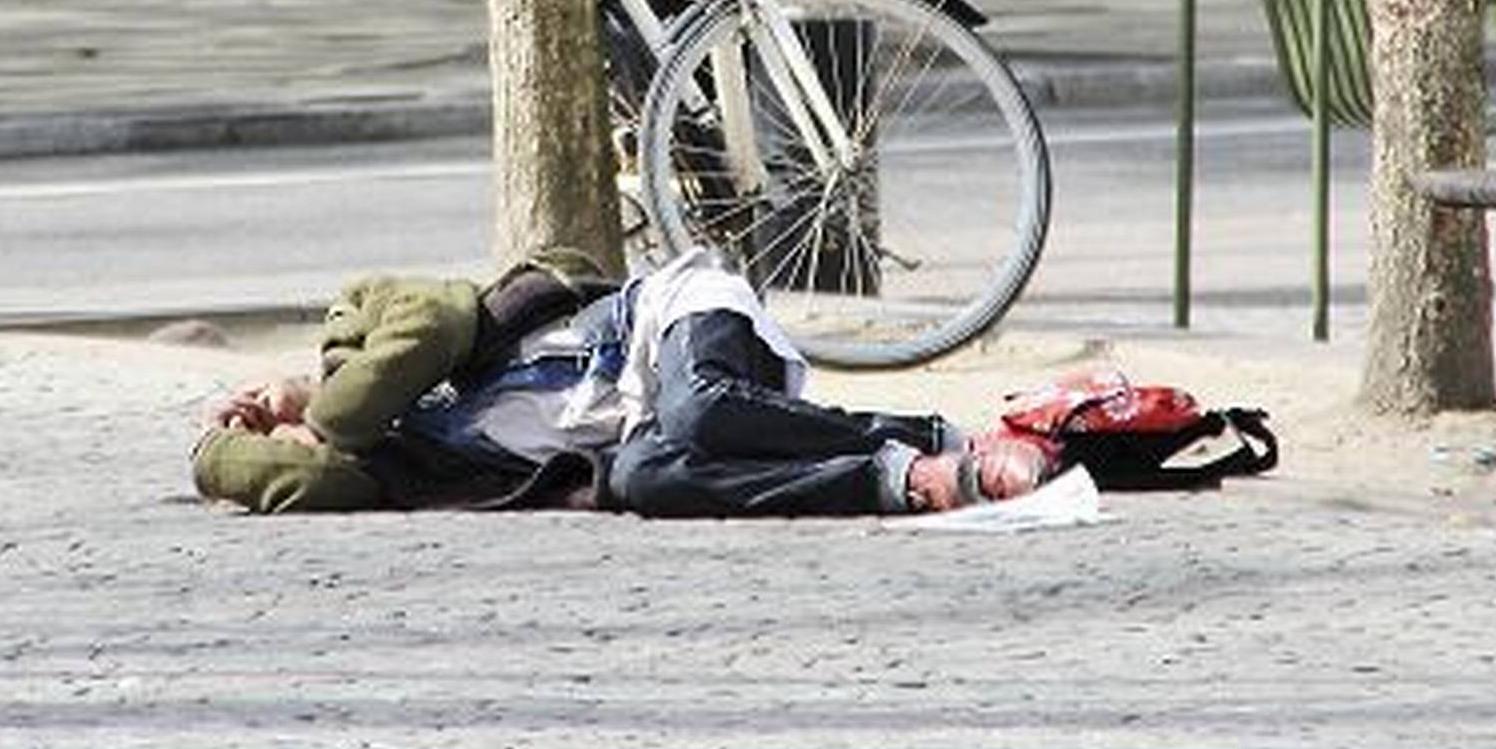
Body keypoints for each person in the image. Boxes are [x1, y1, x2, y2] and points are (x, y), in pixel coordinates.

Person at [191, 249, 1057, 518]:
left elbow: (414, 341)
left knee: (702, 406)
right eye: (266, 428)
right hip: (636, 425)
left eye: (260, 397)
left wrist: (317, 401)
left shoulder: (367, 319)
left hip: (667, 314)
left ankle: (948, 439)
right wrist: (217, 448)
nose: (272, 415)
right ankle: (905, 479)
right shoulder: (405, 462)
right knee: (648, 477)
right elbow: (304, 482)